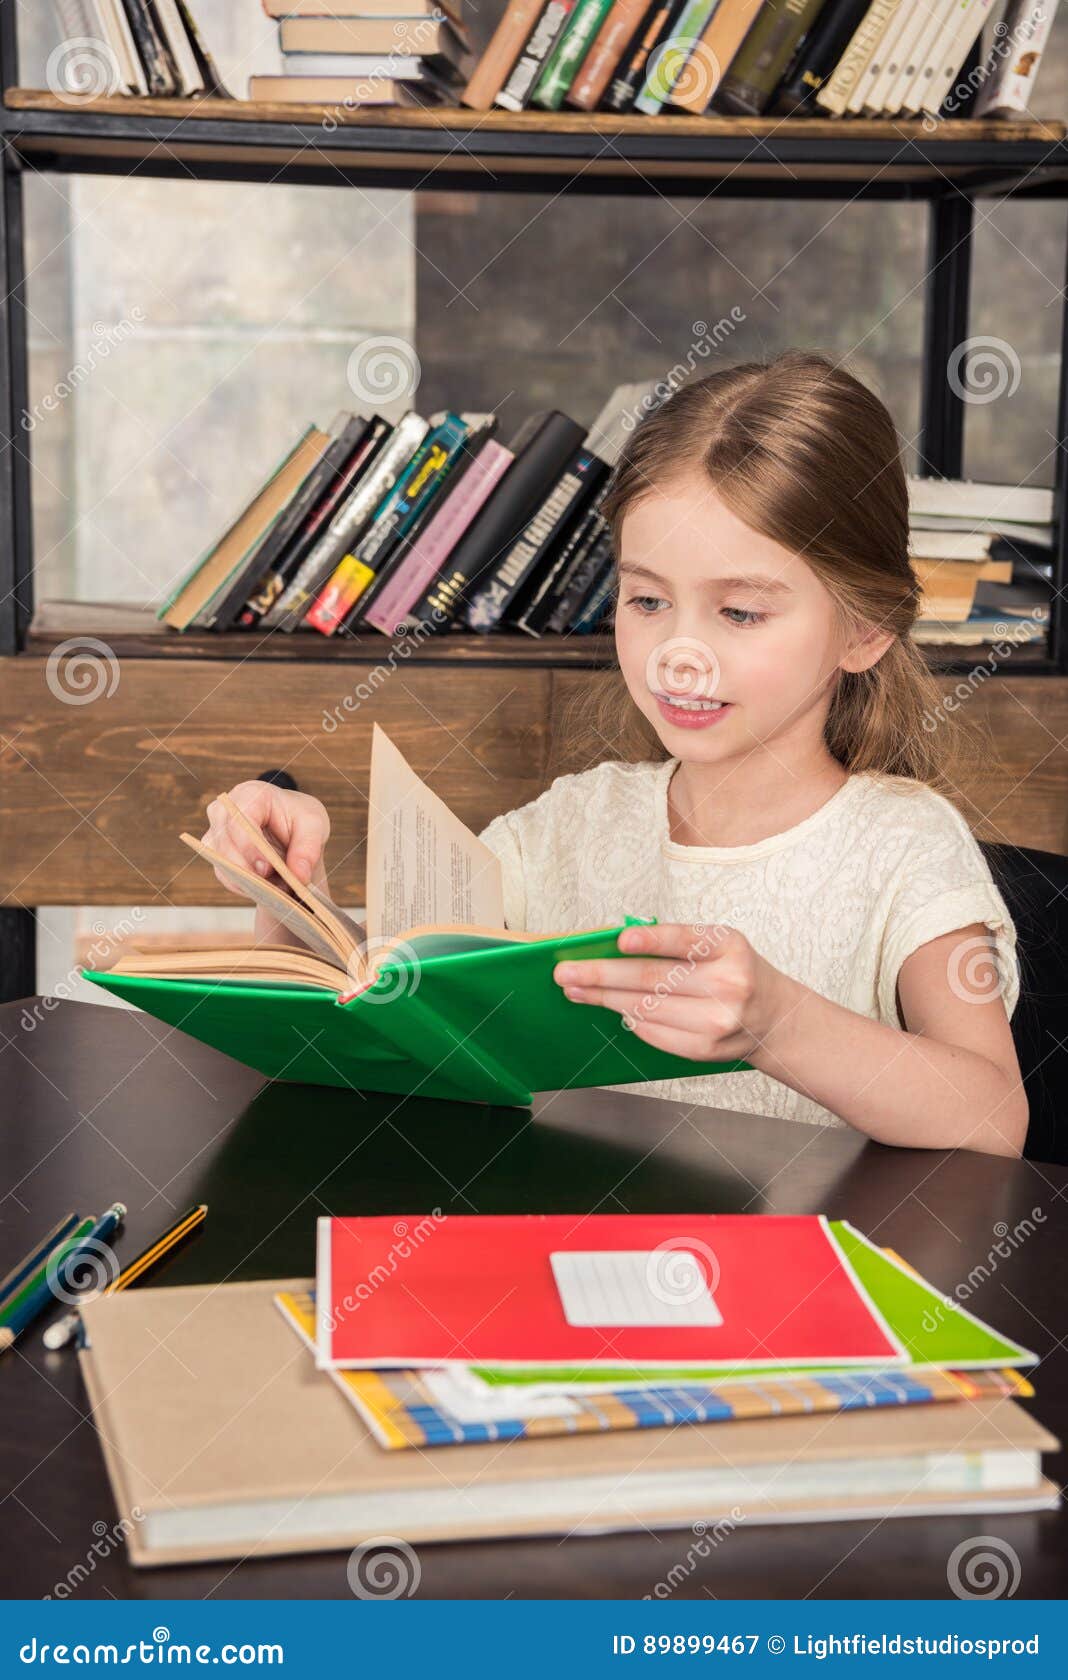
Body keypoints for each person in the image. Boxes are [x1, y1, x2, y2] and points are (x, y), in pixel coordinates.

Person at [200, 351, 1027, 1157]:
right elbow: (400, 994)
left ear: (864, 628)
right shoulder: (572, 820)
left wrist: (777, 1020)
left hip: (787, 1278)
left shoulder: (906, 845)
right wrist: (292, 894)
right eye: (647, 600)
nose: (678, 653)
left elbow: (993, 1114)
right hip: (564, 1256)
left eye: (739, 612)